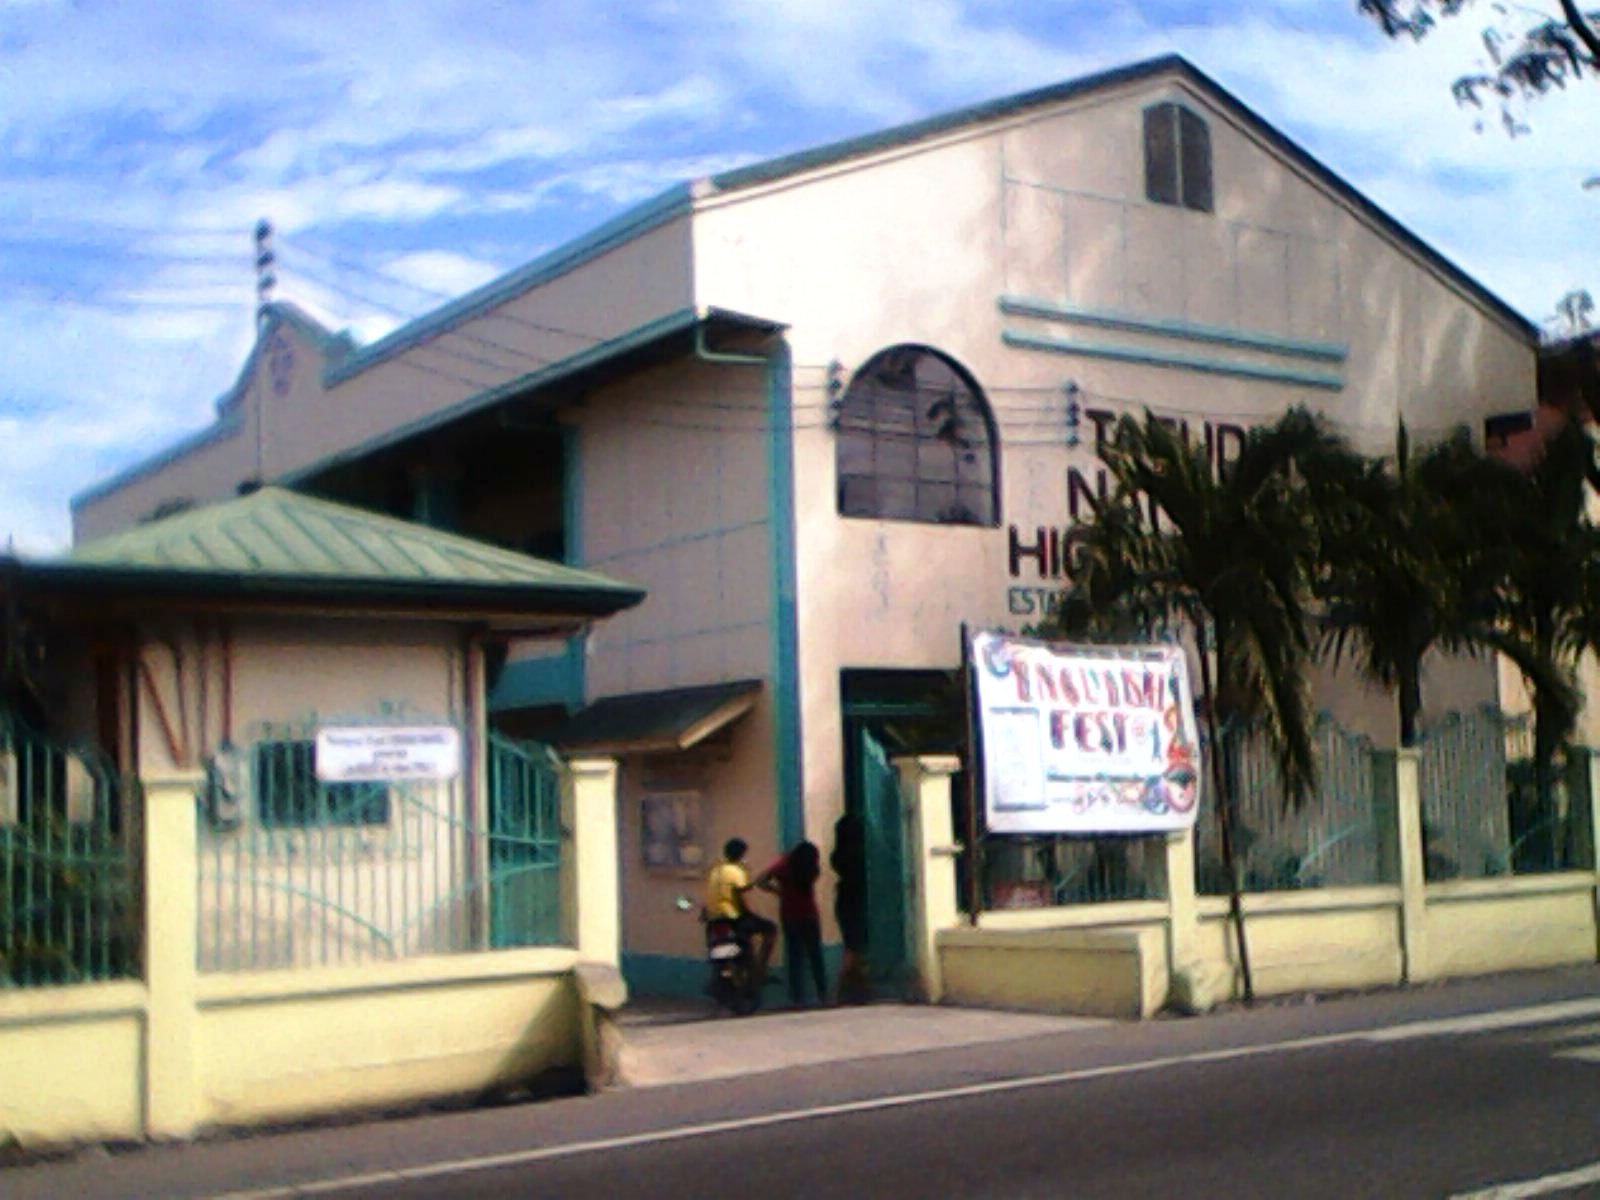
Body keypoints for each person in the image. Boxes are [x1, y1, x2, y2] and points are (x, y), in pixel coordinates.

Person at [756, 841, 826, 1008]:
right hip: (809, 913)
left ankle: (797, 998)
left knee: (795, 957)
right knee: (815, 955)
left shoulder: (785, 864)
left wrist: (777, 891)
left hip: (789, 914)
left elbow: (761, 880)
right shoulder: (811, 867)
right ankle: (823, 995)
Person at [703, 837, 776, 985]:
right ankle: (759, 971)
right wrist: (753, 914)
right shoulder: (736, 872)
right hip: (732, 918)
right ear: (742, 855)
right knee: (770, 929)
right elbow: (744, 898)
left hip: (713, 918)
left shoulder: (716, 870)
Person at [830, 814, 869, 1004]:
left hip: (843, 900)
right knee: (855, 948)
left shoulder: (838, 855)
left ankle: (852, 990)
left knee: (852, 946)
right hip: (855, 900)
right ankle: (845, 991)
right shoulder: (861, 855)